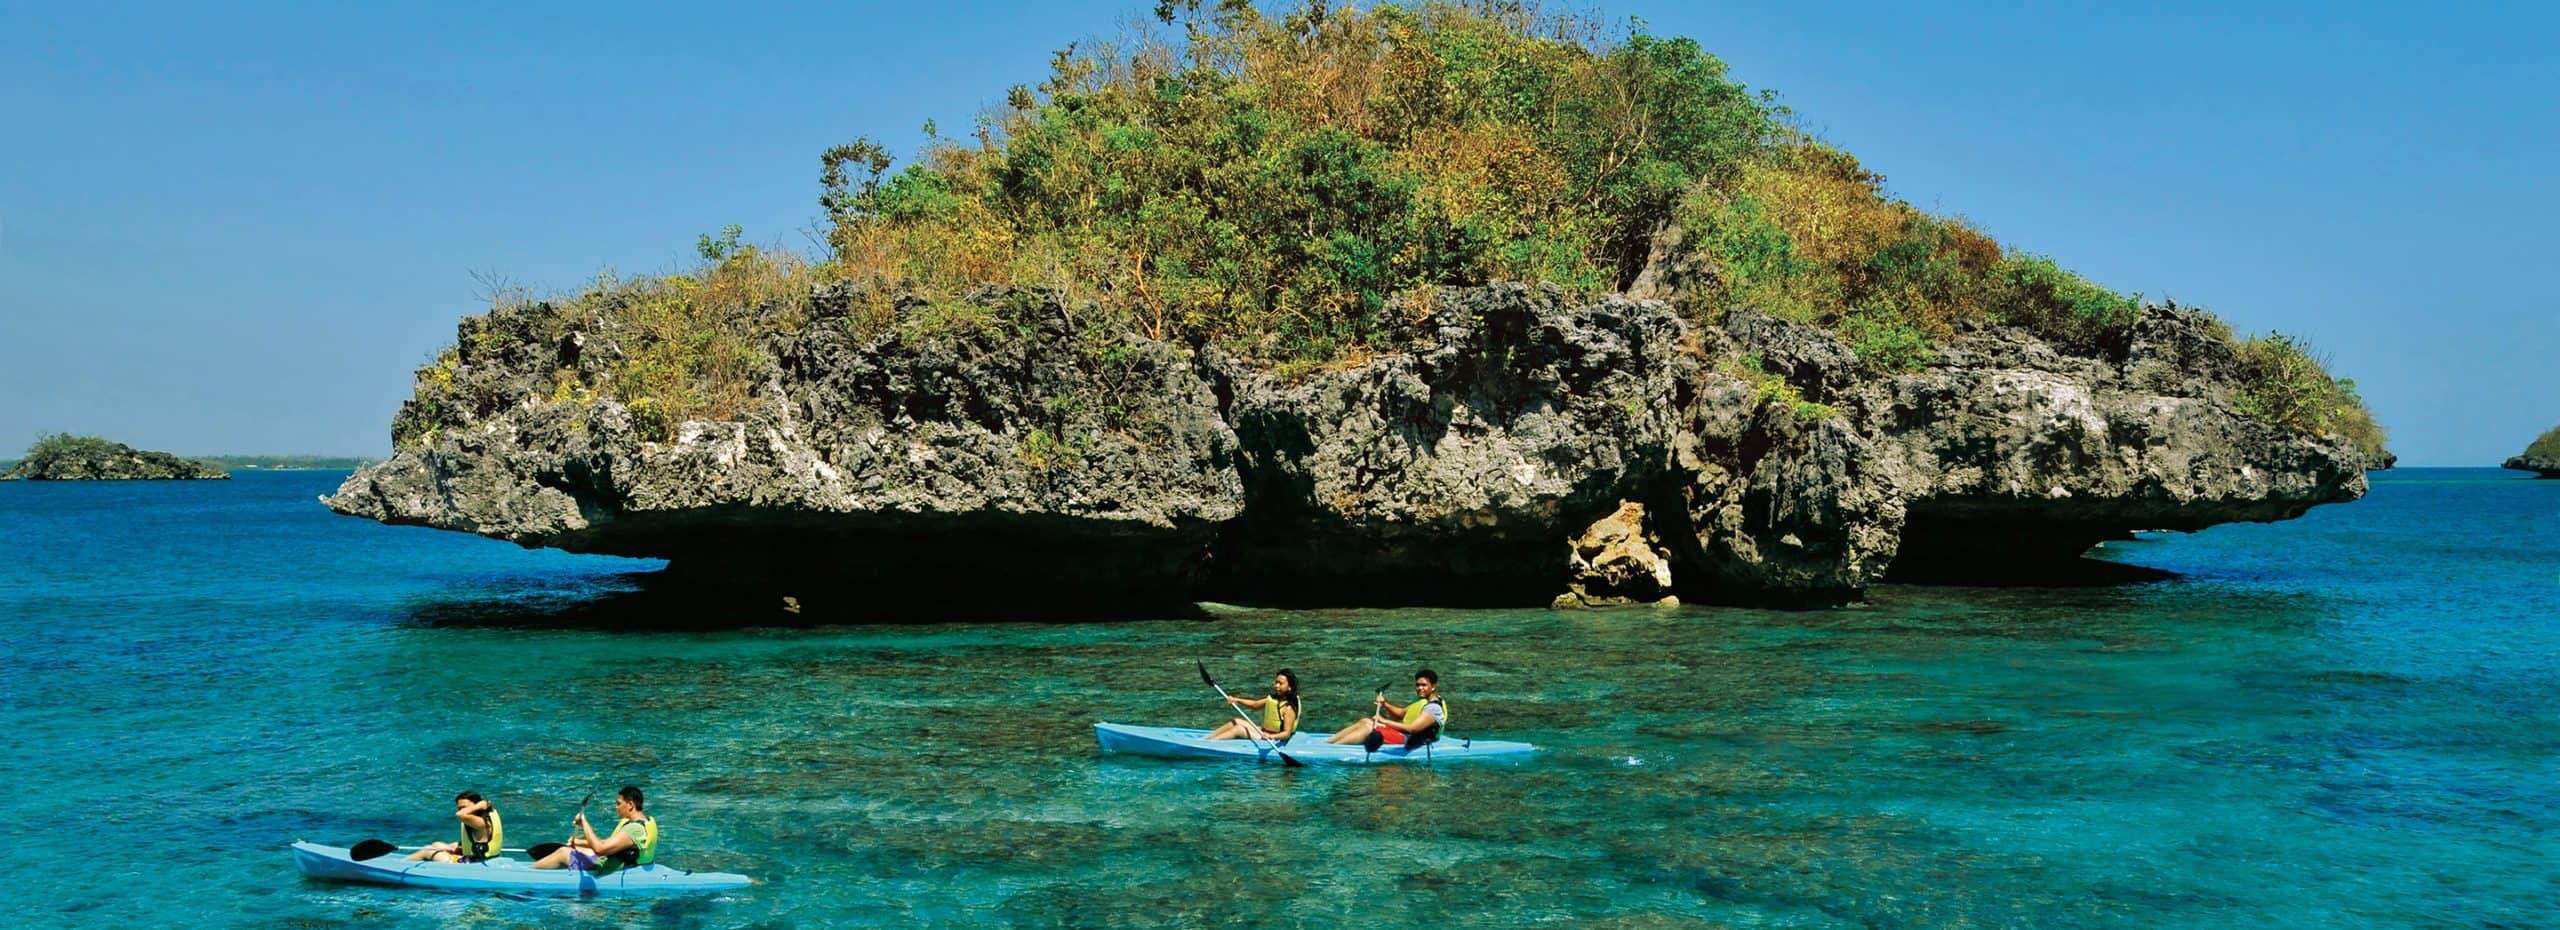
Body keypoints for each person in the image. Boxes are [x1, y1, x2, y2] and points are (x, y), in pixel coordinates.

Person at [532, 785, 656, 873]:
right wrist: (579, 843)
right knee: (575, 848)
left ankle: (529, 873)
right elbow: (607, 844)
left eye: (618, 803)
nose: (616, 807)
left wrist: (584, 822)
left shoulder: (634, 829)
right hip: (614, 860)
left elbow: (600, 849)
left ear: (630, 805)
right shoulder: (643, 822)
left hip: (609, 867)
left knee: (563, 852)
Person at [1326, 668, 1446, 746]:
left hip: (1411, 741)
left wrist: (1384, 721)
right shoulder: (1421, 700)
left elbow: (1411, 729)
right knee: (1366, 721)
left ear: (1433, 687)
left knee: (1370, 729)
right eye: (1418, 685)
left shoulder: (1433, 708)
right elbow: (1402, 713)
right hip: (1403, 735)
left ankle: (1335, 748)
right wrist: (1385, 704)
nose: (1420, 688)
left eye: (1424, 685)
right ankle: (1328, 742)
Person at [1203, 668, 1301, 743]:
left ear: (1289, 687)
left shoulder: (1289, 707)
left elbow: (1286, 733)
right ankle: (1205, 739)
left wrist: (1271, 737)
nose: (1276, 686)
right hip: (1265, 731)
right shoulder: (1275, 699)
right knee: (1235, 721)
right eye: (1276, 682)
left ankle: (1210, 744)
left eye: (1281, 683)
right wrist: (1237, 700)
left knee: (1238, 729)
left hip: (1275, 738)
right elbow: (1255, 705)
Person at [406, 791, 503, 863]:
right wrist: (455, 846)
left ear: (477, 805)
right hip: (480, 855)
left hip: (473, 862)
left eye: (464, 807)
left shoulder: (481, 822)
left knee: (427, 850)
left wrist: (478, 806)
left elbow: (460, 815)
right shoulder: (484, 816)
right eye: (459, 808)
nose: (461, 810)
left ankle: (402, 864)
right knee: (437, 844)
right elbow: (478, 841)